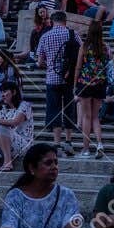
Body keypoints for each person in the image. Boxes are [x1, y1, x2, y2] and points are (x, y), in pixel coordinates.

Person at [35, 10, 77, 154]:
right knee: (69, 109)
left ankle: (57, 143)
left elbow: (39, 62)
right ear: (66, 21)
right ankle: (69, 141)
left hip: (52, 78)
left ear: (52, 21)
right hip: (69, 79)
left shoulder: (45, 36)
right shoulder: (73, 34)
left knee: (54, 109)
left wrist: (51, 65)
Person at [73, 21, 110, 158]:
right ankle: (99, 143)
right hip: (100, 84)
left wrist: (75, 83)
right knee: (95, 117)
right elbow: (108, 64)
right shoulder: (105, 47)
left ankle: (86, 149)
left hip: (85, 83)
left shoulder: (84, 46)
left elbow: (78, 66)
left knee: (86, 117)